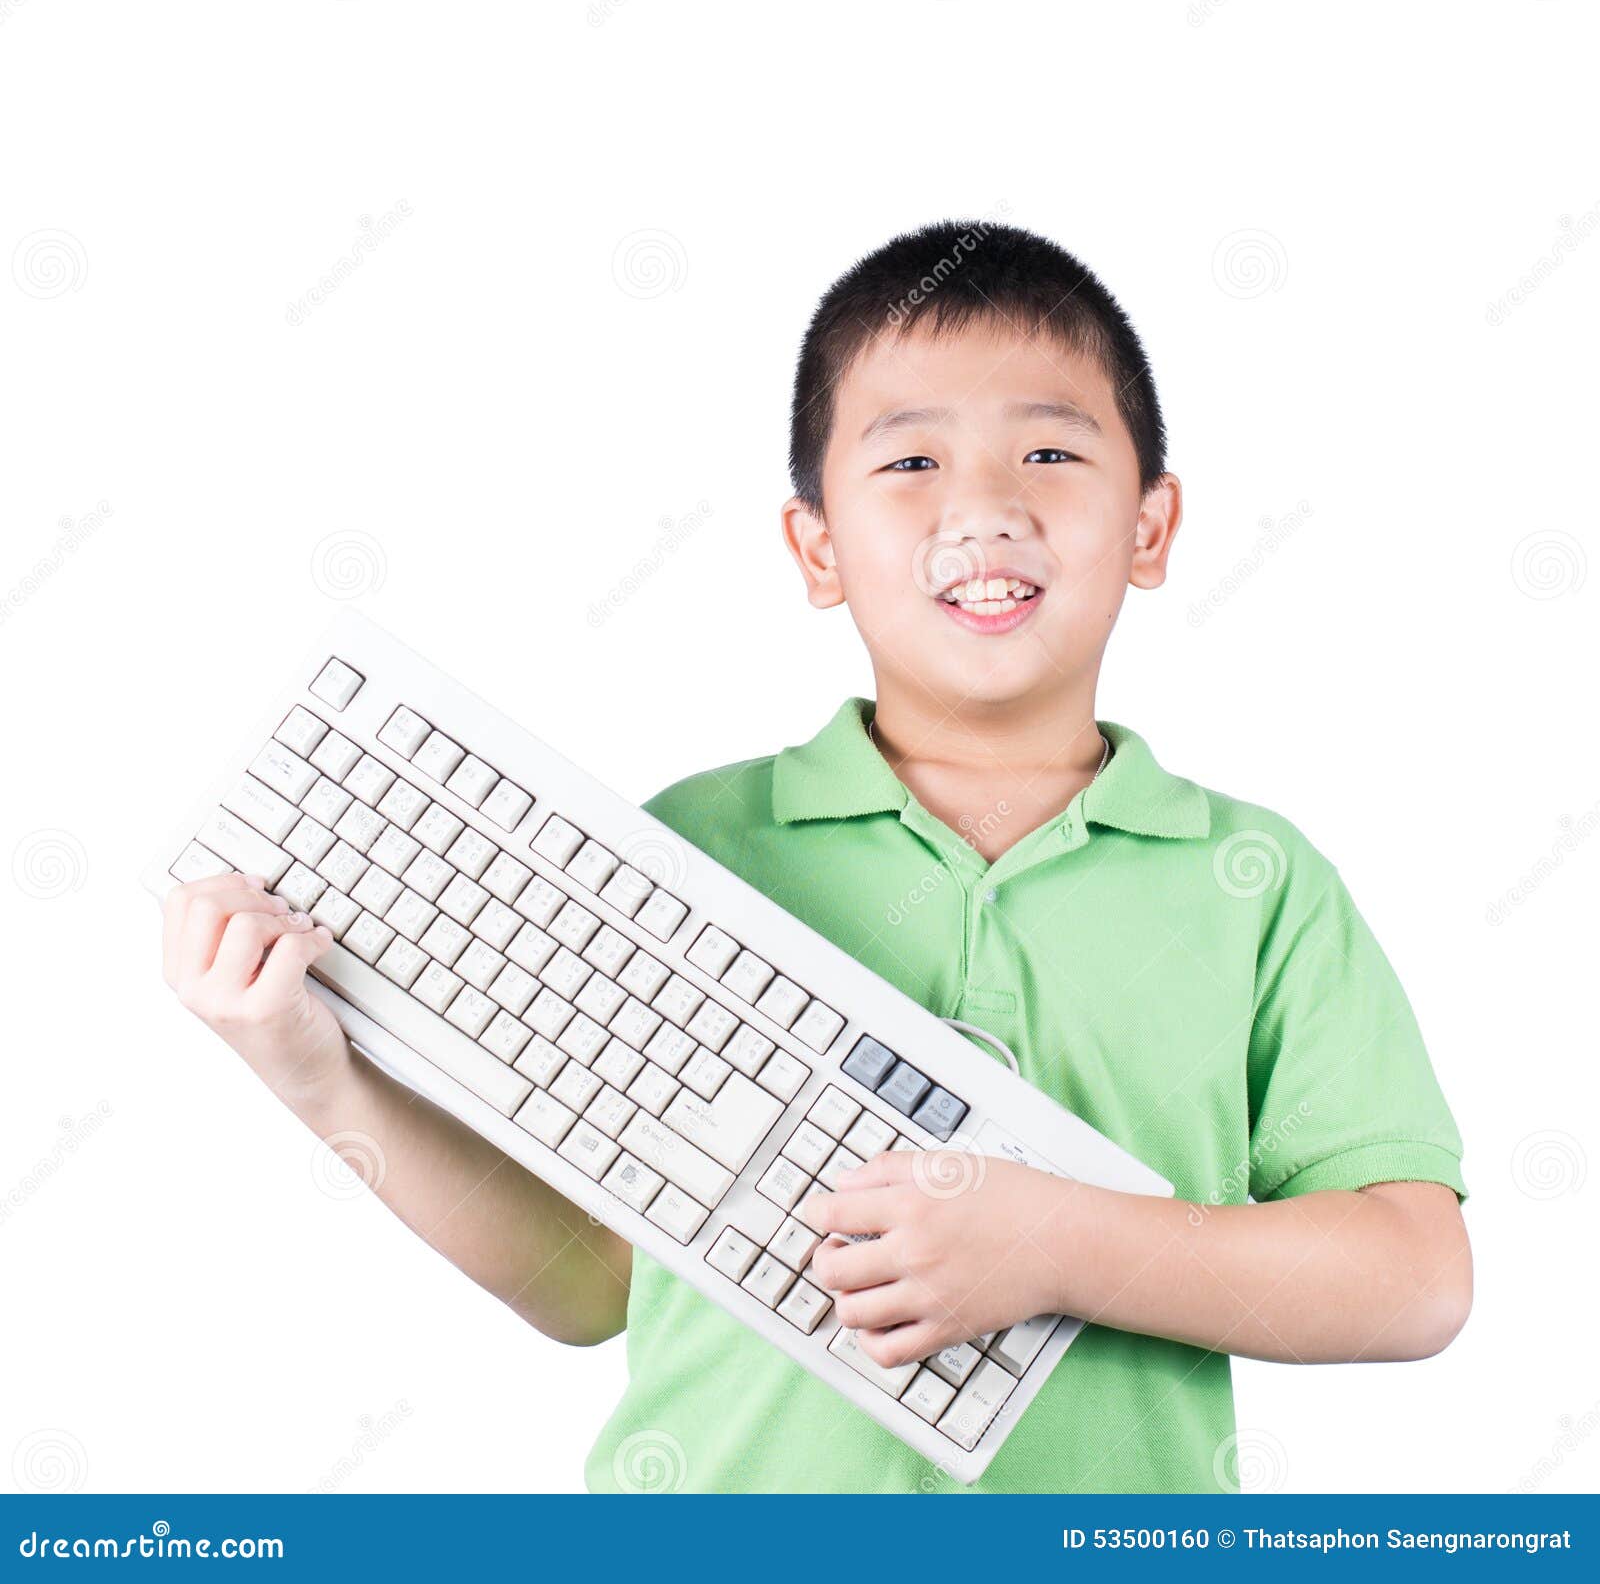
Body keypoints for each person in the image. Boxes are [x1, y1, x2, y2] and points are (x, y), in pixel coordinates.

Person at [160, 219, 1471, 1493]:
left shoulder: (1251, 879)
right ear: (818, 547)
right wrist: (320, 1082)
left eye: (1053, 452)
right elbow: (590, 1283)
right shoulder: (694, 849)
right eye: (910, 466)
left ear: (1151, 525)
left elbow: (1415, 1275)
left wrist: (1064, 1243)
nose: (986, 509)